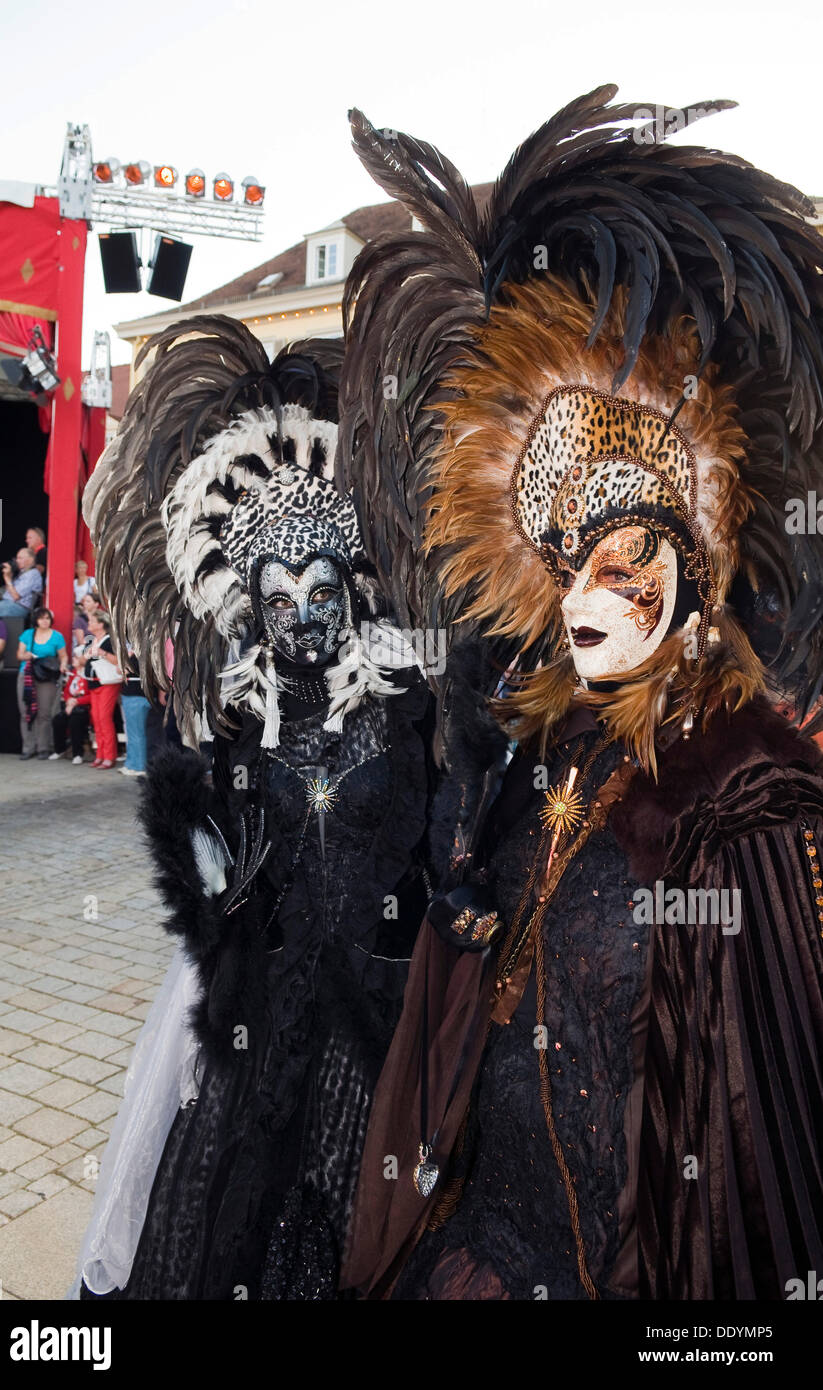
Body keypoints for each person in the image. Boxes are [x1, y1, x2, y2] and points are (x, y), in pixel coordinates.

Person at [338, 92, 823, 1301]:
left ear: (699, 560)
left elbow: (750, 1197)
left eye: (625, 557)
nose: (588, 599)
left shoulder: (748, 809)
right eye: (567, 565)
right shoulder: (544, 758)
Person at [73, 320, 437, 1300]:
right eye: (278, 596)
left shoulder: (415, 707)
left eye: (323, 588)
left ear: (357, 586)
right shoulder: (245, 715)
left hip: (382, 1033)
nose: (303, 614)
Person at [17, 608, 68, 759]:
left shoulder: (57, 636)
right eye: (41, 618)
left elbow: (63, 656)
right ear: (36, 620)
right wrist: (26, 655)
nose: (45, 621)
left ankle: (43, 747)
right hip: (27, 674)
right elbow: (19, 655)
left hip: (47, 677)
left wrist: (63, 665)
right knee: (26, 712)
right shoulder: (28, 634)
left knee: (44, 713)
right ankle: (28, 747)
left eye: (47, 618)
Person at [83, 609, 122, 769]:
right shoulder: (90, 639)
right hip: (93, 683)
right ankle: (100, 754)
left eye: (92, 621)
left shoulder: (109, 640)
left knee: (105, 719)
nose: (89, 624)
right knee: (97, 720)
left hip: (107, 683)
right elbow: (83, 659)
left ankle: (109, 756)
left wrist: (102, 653)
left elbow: (117, 661)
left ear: (100, 624)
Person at [50, 649, 92, 764]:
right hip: (71, 705)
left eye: (76, 657)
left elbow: (92, 695)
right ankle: (60, 750)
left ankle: (78, 754)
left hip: (85, 708)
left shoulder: (89, 673)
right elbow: (67, 691)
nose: (72, 659)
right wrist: (70, 701)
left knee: (75, 721)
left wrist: (76, 701)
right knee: (57, 720)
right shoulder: (73, 673)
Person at [119, 648, 151, 777]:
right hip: (141, 694)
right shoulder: (147, 652)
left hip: (134, 695)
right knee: (136, 732)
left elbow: (122, 670)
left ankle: (138, 765)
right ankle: (131, 763)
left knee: (135, 733)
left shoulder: (139, 653)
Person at [0, 547, 42, 618]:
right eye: (17, 558)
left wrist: (7, 579)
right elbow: (9, 591)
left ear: (30, 560)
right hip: (10, 604)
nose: (17, 560)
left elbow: (16, 596)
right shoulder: (23, 573)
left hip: (20, 607)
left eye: (20, 558)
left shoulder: (33, 574)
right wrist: (9, 576)